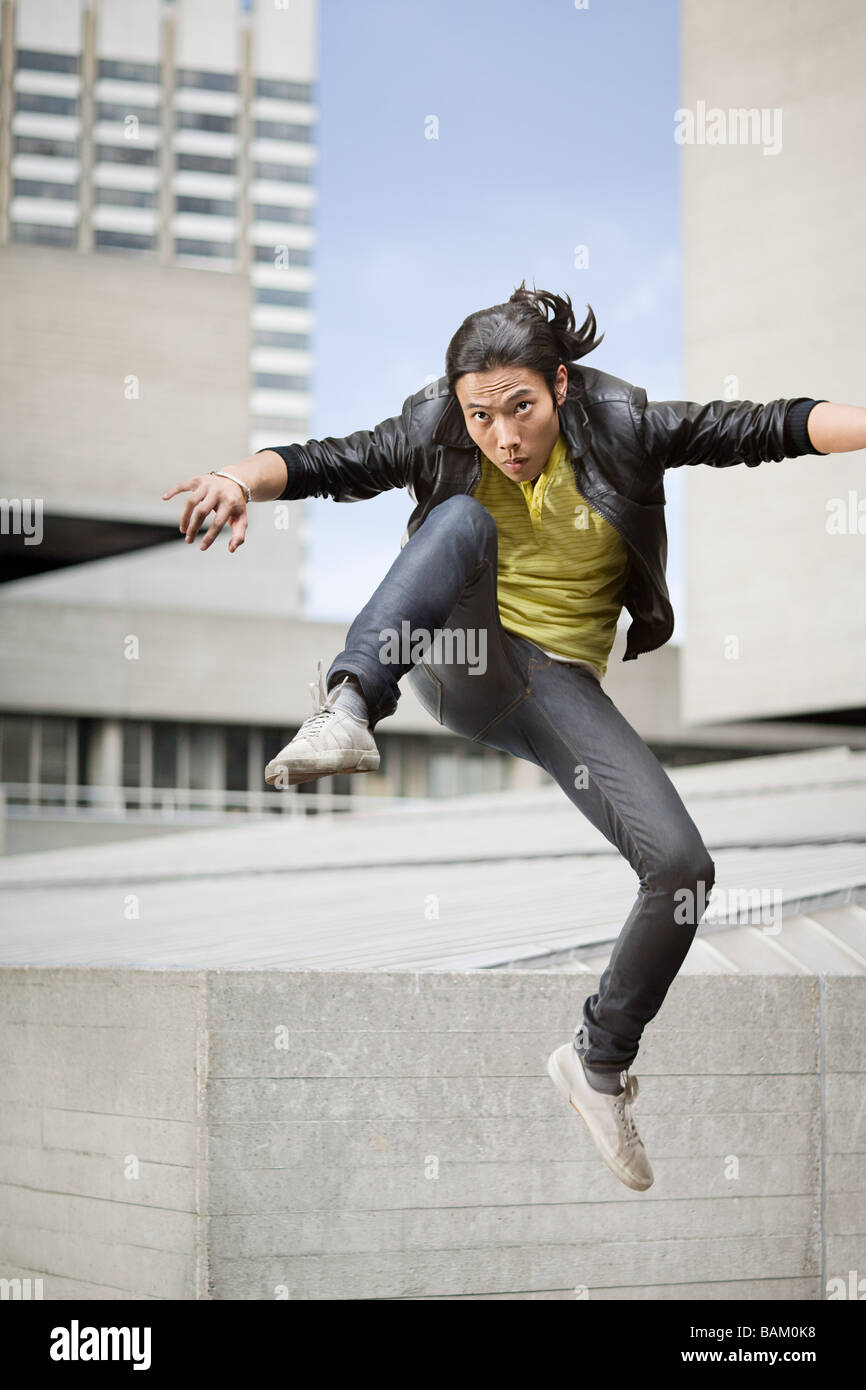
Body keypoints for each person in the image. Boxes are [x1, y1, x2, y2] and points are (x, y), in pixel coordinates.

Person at [162, 281, 866, 1192]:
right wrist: (236, 478)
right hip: (464, 656)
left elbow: (764, 427)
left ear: (562, 387)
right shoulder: (434, 428)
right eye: (482, 416)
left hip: (558, 688)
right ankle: (347, 707)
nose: (504, 438)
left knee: (683, 868)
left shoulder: (625, 421)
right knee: (459, 517)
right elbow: (324, 461)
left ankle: (599, 1061)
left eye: (522, 410)